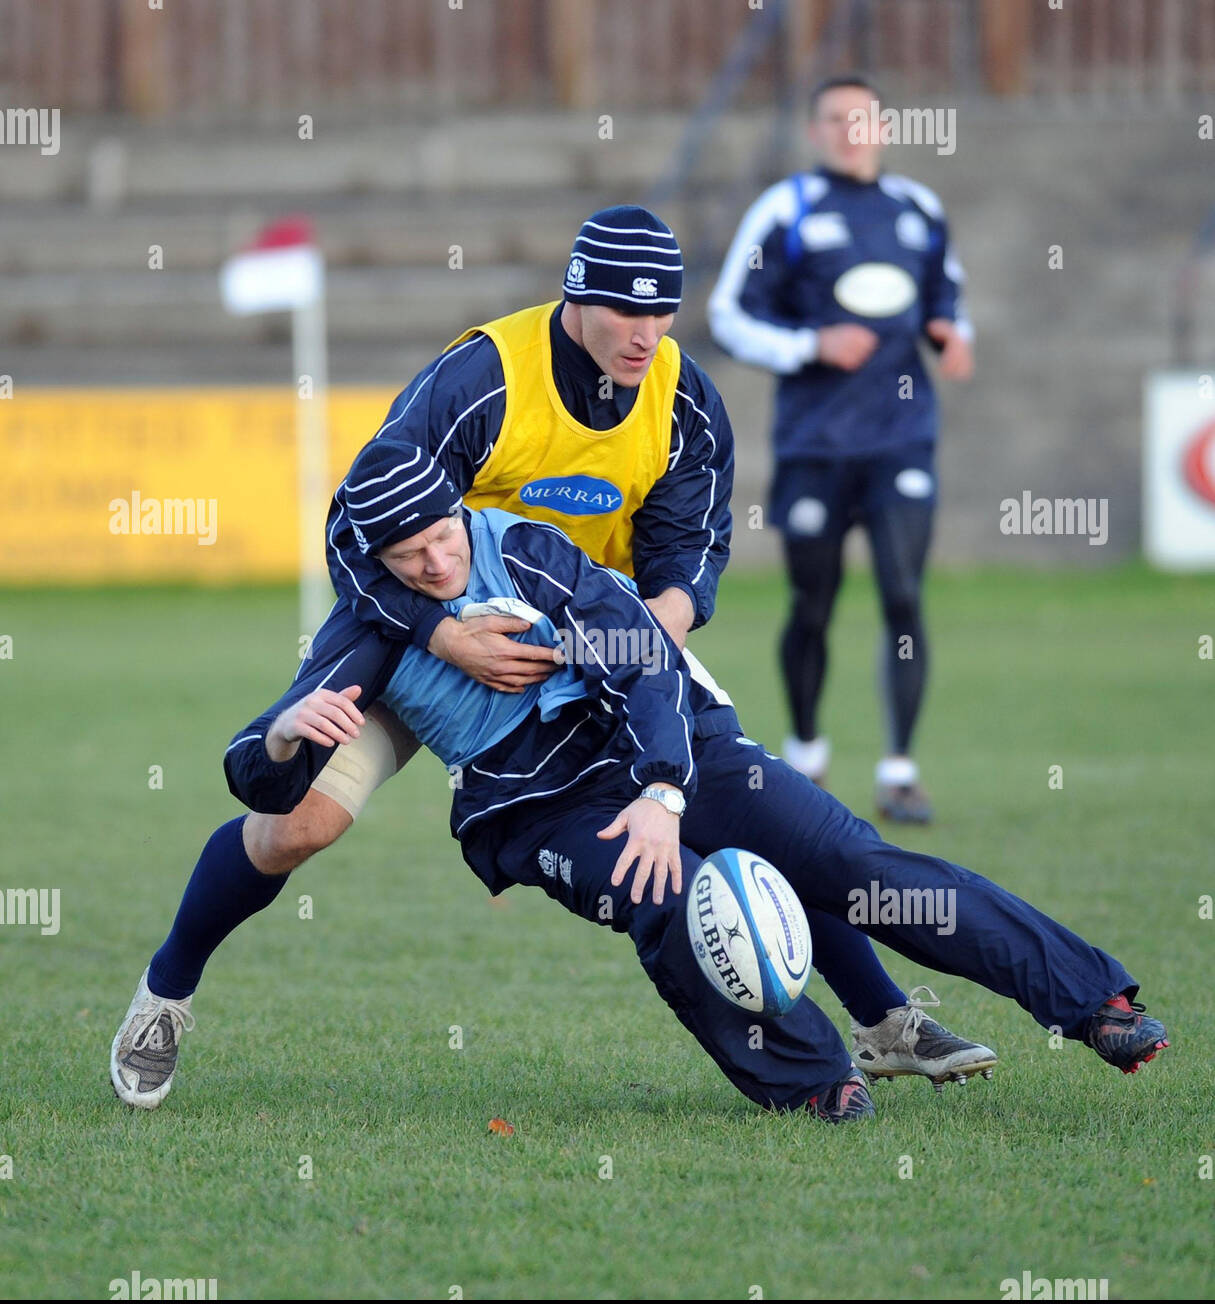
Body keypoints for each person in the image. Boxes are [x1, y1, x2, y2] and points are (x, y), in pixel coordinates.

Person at [110, 207, 994, 1111]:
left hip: (578, 635)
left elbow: (691, 545)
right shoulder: (482, 375)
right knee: (301, 824)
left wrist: (650, 634)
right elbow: (353, 531)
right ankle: (166, 993)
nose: (644, 335)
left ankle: (884, 1021)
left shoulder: (673, 392)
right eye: (624, 311)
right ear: (578, 301)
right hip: (419, 636)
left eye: (661, 315)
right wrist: (440, 631)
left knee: (735, 804)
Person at [113, 450, 1169, 1123]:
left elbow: (640, 658)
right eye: (410, 557)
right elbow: (256, 773)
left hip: (663, 749)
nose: (436, 565)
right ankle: (812, 1081)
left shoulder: (524, 546)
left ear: (457, 512)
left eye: (442, 538)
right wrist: (285, 736)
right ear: (374, 563)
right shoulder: (369, 625)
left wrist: (664, 792)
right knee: (673, 898)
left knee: (853, 862)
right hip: (542, 808)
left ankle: (1091, 1003)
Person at [709, 74, 974, 824]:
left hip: (900, 440)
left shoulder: (917, 210)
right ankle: (806, 754)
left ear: (882, 127)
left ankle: (898, 771)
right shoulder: (786, 208)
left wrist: (955, 335)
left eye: (861, 119)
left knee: (901, 594)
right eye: (834, 119)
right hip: (814, 446)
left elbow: (947, 300)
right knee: (812, 604)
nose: (849, 131)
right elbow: (729, 314)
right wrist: (808, 342)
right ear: (813, 130)